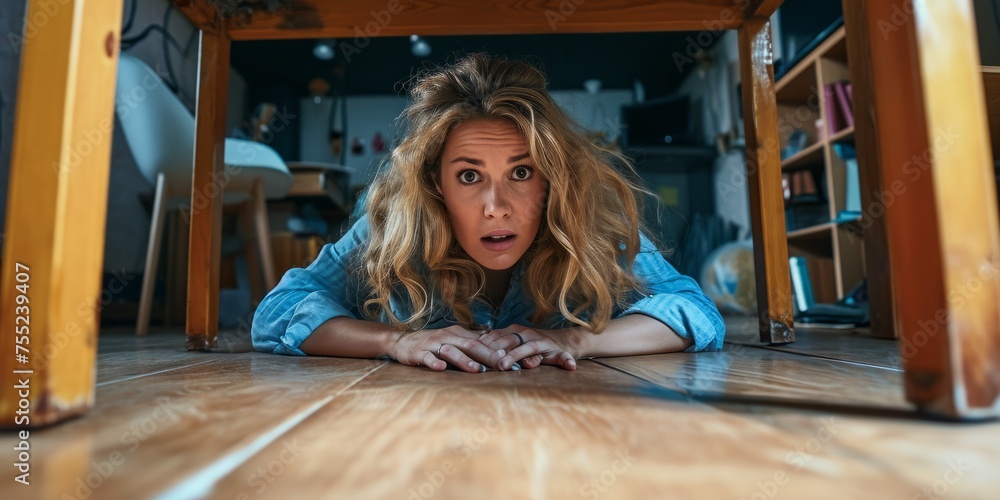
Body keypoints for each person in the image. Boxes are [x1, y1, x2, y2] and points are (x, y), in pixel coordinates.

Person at [252, 53, 725, 372]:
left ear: (551, 179)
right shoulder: (393, 225)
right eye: (469, 176)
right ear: (437, 183)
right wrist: (393, 342)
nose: (496, 208)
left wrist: (579, 341)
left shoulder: (587, 226)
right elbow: (276, 313)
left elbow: (694, 312)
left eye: (521, 174)